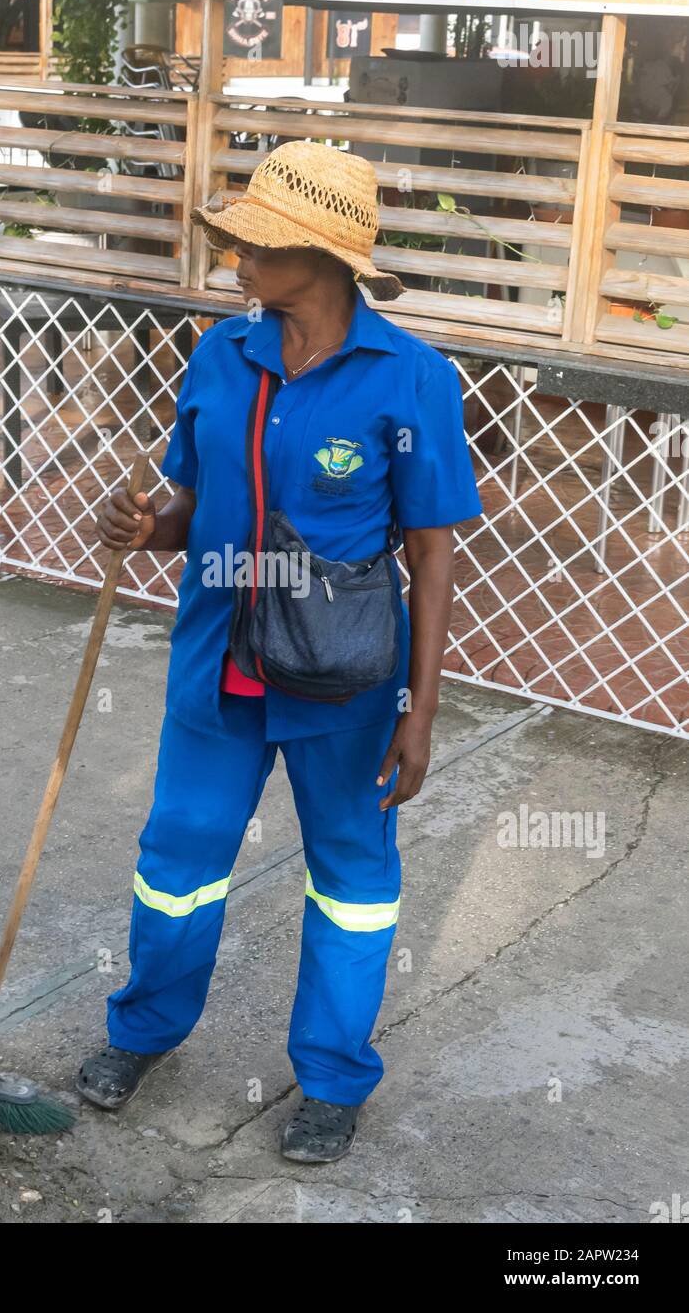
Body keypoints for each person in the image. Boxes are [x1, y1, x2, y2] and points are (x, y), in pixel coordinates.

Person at [78, 140, 481, 1163]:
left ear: (325, 257)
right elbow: (185, 499)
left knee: (351, 875)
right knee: (178, 859)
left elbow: (431, 553)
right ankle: (143, 1031)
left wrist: (419, 711)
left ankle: (332, 1081)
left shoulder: (411, 380)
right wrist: (142, 523)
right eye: (238, 243)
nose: (236, 261)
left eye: (260, 246)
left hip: (344, 681)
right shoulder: (219, 355)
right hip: (217, 665)